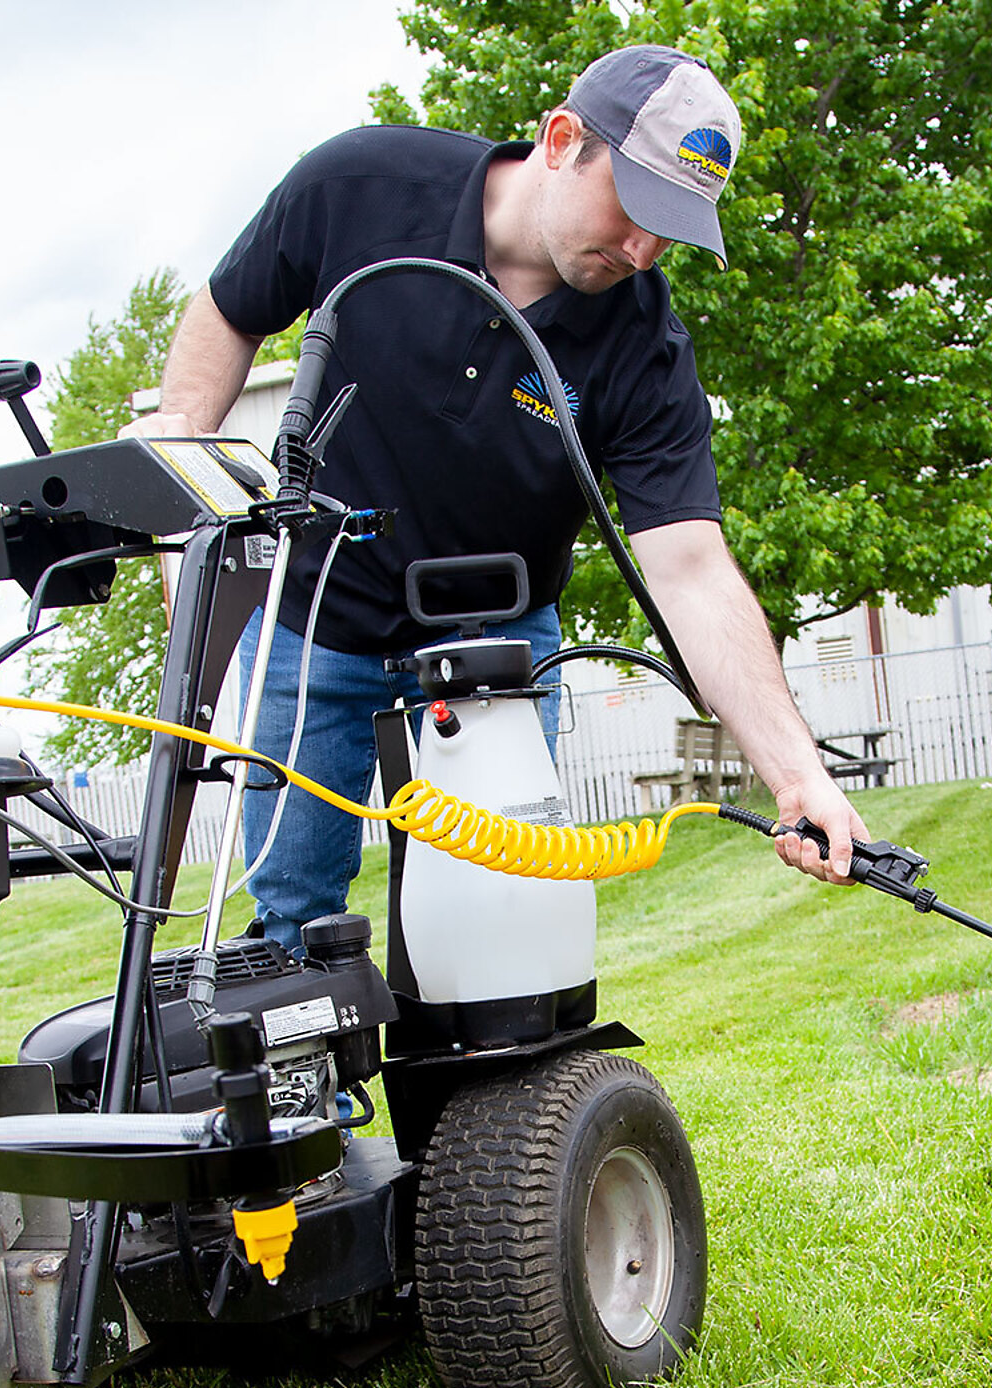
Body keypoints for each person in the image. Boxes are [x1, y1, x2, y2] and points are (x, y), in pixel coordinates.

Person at [127, 44, 868, 954]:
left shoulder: (644, 346)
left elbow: (691, 571)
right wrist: (185, 508)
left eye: (671, 231)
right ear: (562, 141)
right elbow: (230, 309)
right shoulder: (362, 182)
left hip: (494, 650)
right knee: (293, 928)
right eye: (635, 209)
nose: (643, 250)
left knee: (491, 946)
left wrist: (798, 776)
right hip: (313, 624)